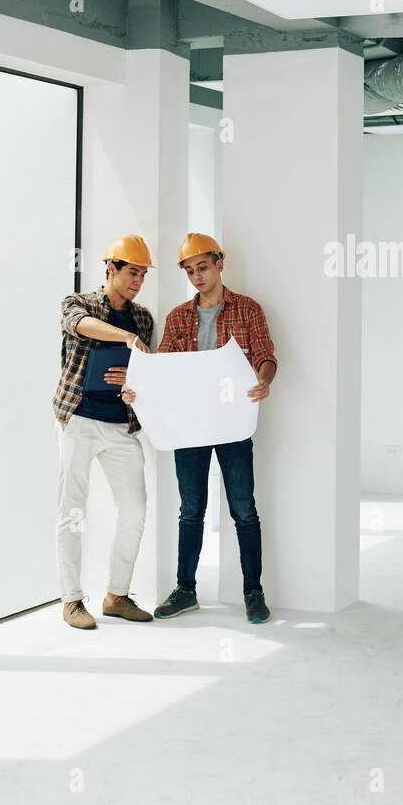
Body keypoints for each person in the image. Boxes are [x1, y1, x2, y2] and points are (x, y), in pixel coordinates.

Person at [126, 233, 276, 624]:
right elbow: (165, 372)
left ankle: (253, 593)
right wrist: (137, 392)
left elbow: (265, 354)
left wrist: (264, 379)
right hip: (188, 426)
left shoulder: (247, 310)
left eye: (203, 267)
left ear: (220, 263)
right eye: (190, 270)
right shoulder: (178, 317)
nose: (197, 276)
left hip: (232, 424)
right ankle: (185, 590)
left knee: (244, 510)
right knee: (190, 510)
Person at [53, 235, 156, 630]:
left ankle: (116, 595)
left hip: (120, 424)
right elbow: (81, 326)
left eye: (143, 275)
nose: (138, 281)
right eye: (133, 272)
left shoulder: (144, 317)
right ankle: (72, 599)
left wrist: (134, 380)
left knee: (134, 510)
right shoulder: (79, 302)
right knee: (72, 509)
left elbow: (150, 372)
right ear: (111, 268)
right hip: (78, 417)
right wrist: (127, 337)